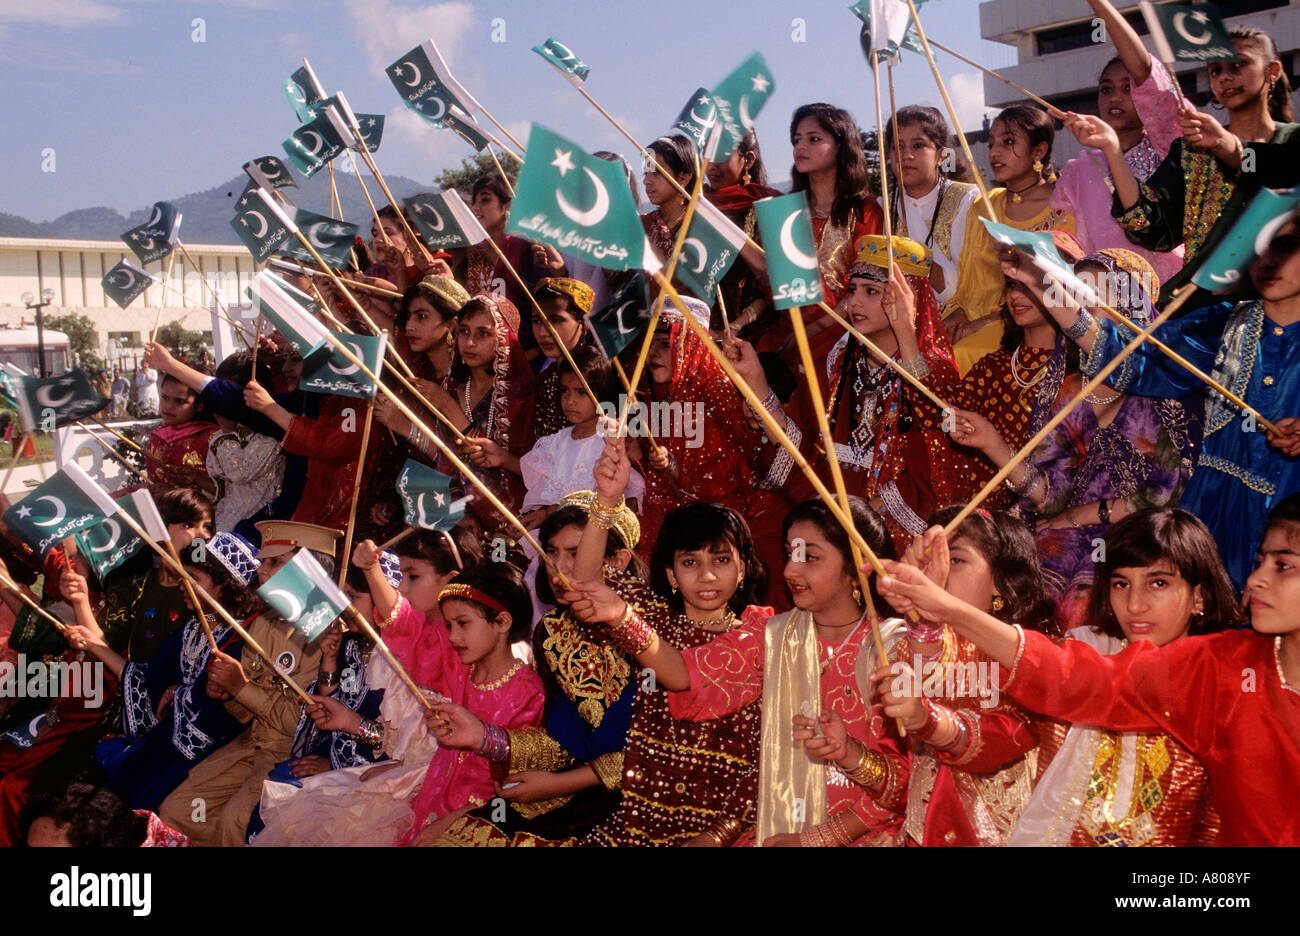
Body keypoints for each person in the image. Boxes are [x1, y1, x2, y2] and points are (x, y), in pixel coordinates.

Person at [877, 496, 1300, 846]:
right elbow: (1003, 724)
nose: (1134, 606)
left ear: (1199, 596)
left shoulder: (1216, 676)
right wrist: (935, 621)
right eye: (1120, 583)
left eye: (1158, 583)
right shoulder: (1091, 653)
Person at [577, 489, 910, 846]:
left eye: (809, 557)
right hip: (773, 830)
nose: (790, 570)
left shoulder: (894, 650)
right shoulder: (773, 638)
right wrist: (621, 616)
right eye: (789, 554)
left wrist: (814, 838)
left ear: (855, 567)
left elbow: (904, 786)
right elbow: (684, 676)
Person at [1031, 217, 1300, 590]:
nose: (1268, 260)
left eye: (1284, 246)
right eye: (1257, 246)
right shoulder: (1220, 326)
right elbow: (1134, 359)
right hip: (1214, 509)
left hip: (1291, 509)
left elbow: (1160, 488)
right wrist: (1039, 285)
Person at [950, 248, 1201, 624]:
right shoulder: (1068, 389)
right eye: (1074, 297)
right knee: (993, 582)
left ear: (1129, 308)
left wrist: (1079, 517)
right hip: (1061, 531)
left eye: (1092, 298)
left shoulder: (1159, 390)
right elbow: (1050, 497)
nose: (1078, 312)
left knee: (1081, 607)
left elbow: (1163, 496)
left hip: (1136, 540)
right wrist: (995, 446)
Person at [421, 492, 648, 846]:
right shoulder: (553, 630)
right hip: (568, 790)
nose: (559, 567)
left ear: (618, 560)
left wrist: (560, 784)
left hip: (641, 792)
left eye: (575, 553)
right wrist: (484, 736)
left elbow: (659, 745)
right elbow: (563, 741)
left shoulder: (648, 628)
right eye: (552, 552)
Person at [879, 506, 1058, 846]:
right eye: (929, 563)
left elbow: (1010, 735)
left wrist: (930, 720)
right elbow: (898, 776)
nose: (938, 573)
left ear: (1001, 581)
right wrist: (847, 754)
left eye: (955, 560)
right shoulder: (904, 644)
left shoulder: (1027, 654)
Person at [1091, 25, 1299, 300]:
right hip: (1200, 308)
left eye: (1238, 65)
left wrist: (1229, 148)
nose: (1225, 77)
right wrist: (1112, 149)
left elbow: (1276, 172)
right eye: (1216, 70)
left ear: (1272, 71)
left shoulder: (1292, 142)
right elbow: (1149, 225)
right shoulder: (1192, 151)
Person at [1052, 0, 1184, 286]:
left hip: (1165, 295)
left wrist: (1099, 5)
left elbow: (1146, 72)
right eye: (1106, 90)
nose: (1115, 97)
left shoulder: (1167, 147)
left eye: (1128, 88)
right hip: (1104, 301)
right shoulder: (1080, 168)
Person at [759, 103, 883, 369]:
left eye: (814, 139)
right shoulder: (787, 212)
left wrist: (813, 330)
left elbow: (866, 286)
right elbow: (774, 292)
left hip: (841, 334)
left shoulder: (865, 211)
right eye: (796, 140)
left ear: (841, 146)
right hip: (786, 335)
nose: (800, 148)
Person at [953, 104, 1075, 372]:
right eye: (991, 143)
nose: (995, 152)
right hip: (977, 320)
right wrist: (958, 315)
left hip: (1046, 321)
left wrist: (996, 319)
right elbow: (969, 281)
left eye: (1008, 142)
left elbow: (1069, 285)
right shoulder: (984, 205)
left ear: (1039, 151)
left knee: (966, 353)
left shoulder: (1066, 206)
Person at [633, 297, 758, 559]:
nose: (653, 354)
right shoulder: (651, 394)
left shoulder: (715, 392)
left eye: (665, 344)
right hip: (659, 529)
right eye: (650, 344)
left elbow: (727, 480)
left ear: (690, 347)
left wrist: (675, 468)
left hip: (706, 535)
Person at [520, 347, 644, 529]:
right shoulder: (555, 442)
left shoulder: (613, 438)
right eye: (564, 390)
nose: (570, 400)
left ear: (602, 392)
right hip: (556, 534)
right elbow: (548, 491)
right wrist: (545, 514)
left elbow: (633, 496)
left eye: (581, 392)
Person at [884, 106, 983, 323]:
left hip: (961, 321)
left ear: (940, 155)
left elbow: (971, 283)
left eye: (918, 146)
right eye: (896, 147)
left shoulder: (968, 199)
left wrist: (917, 261)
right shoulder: (883, 206)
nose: (906, 156)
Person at [703, 129, 780, 340]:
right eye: (707, 154)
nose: (711, 165)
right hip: (700, 330)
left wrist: (735, 327)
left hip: (752, 333)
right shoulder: (695, 203)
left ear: (748, 160)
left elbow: (775, 283)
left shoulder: (769, 206)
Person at [529, 277, 602, 439]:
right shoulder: (544, 380)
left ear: (583, 324)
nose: (542, 332)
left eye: (555, 320)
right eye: (536, 321)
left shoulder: (603, 376)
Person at [146, 372, 218, 497]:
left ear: (199, 405)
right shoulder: (158, 434)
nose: (169, 406)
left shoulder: (212, 438)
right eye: (165, 397)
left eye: (179, 401)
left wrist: (196, 479)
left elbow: (227, 491)